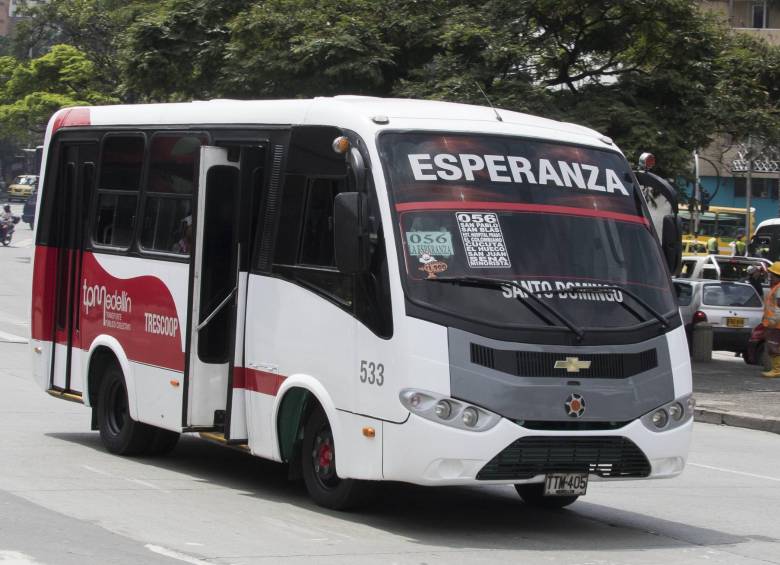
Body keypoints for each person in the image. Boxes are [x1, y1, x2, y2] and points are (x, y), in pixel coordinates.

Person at [760, 261, 780, 378]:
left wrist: (773, 320)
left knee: (774, 346)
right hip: (774, 322)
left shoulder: (779, 288)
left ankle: (777, 370)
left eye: (772, 274)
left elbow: (779, 305)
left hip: (776, 324)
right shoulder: (775, 287)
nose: (770, 276)